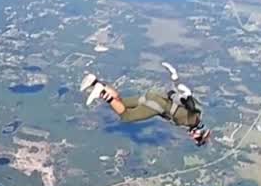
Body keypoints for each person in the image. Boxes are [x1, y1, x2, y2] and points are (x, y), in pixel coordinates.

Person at [80, 62, 211, 146]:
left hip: (156, 96)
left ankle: (96, 83)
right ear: (200, 131)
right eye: (197, 138)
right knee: (126, 116)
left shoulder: (193, 118)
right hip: (157, 104)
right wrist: (176, 79)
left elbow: (184, 95)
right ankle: (102, 92)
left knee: (121, 102)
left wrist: (174, 76)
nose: (194, 138)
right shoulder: (194, 118)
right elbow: (188, 100)